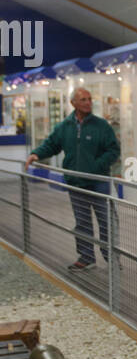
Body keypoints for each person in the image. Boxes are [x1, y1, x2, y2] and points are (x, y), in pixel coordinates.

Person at [24, 87, 120, 270]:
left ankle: (112, 257)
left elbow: (113, 150)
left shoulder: (101, 126)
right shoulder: (64, 126)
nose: (88, 103)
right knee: (82, 222)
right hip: (76, 183)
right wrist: (36, 154)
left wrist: (96, 166)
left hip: (99, 182)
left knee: (106, 221)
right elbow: (51, 145)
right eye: (83, 99)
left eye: (90, 99)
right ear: (73, 103)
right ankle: (86, 257)